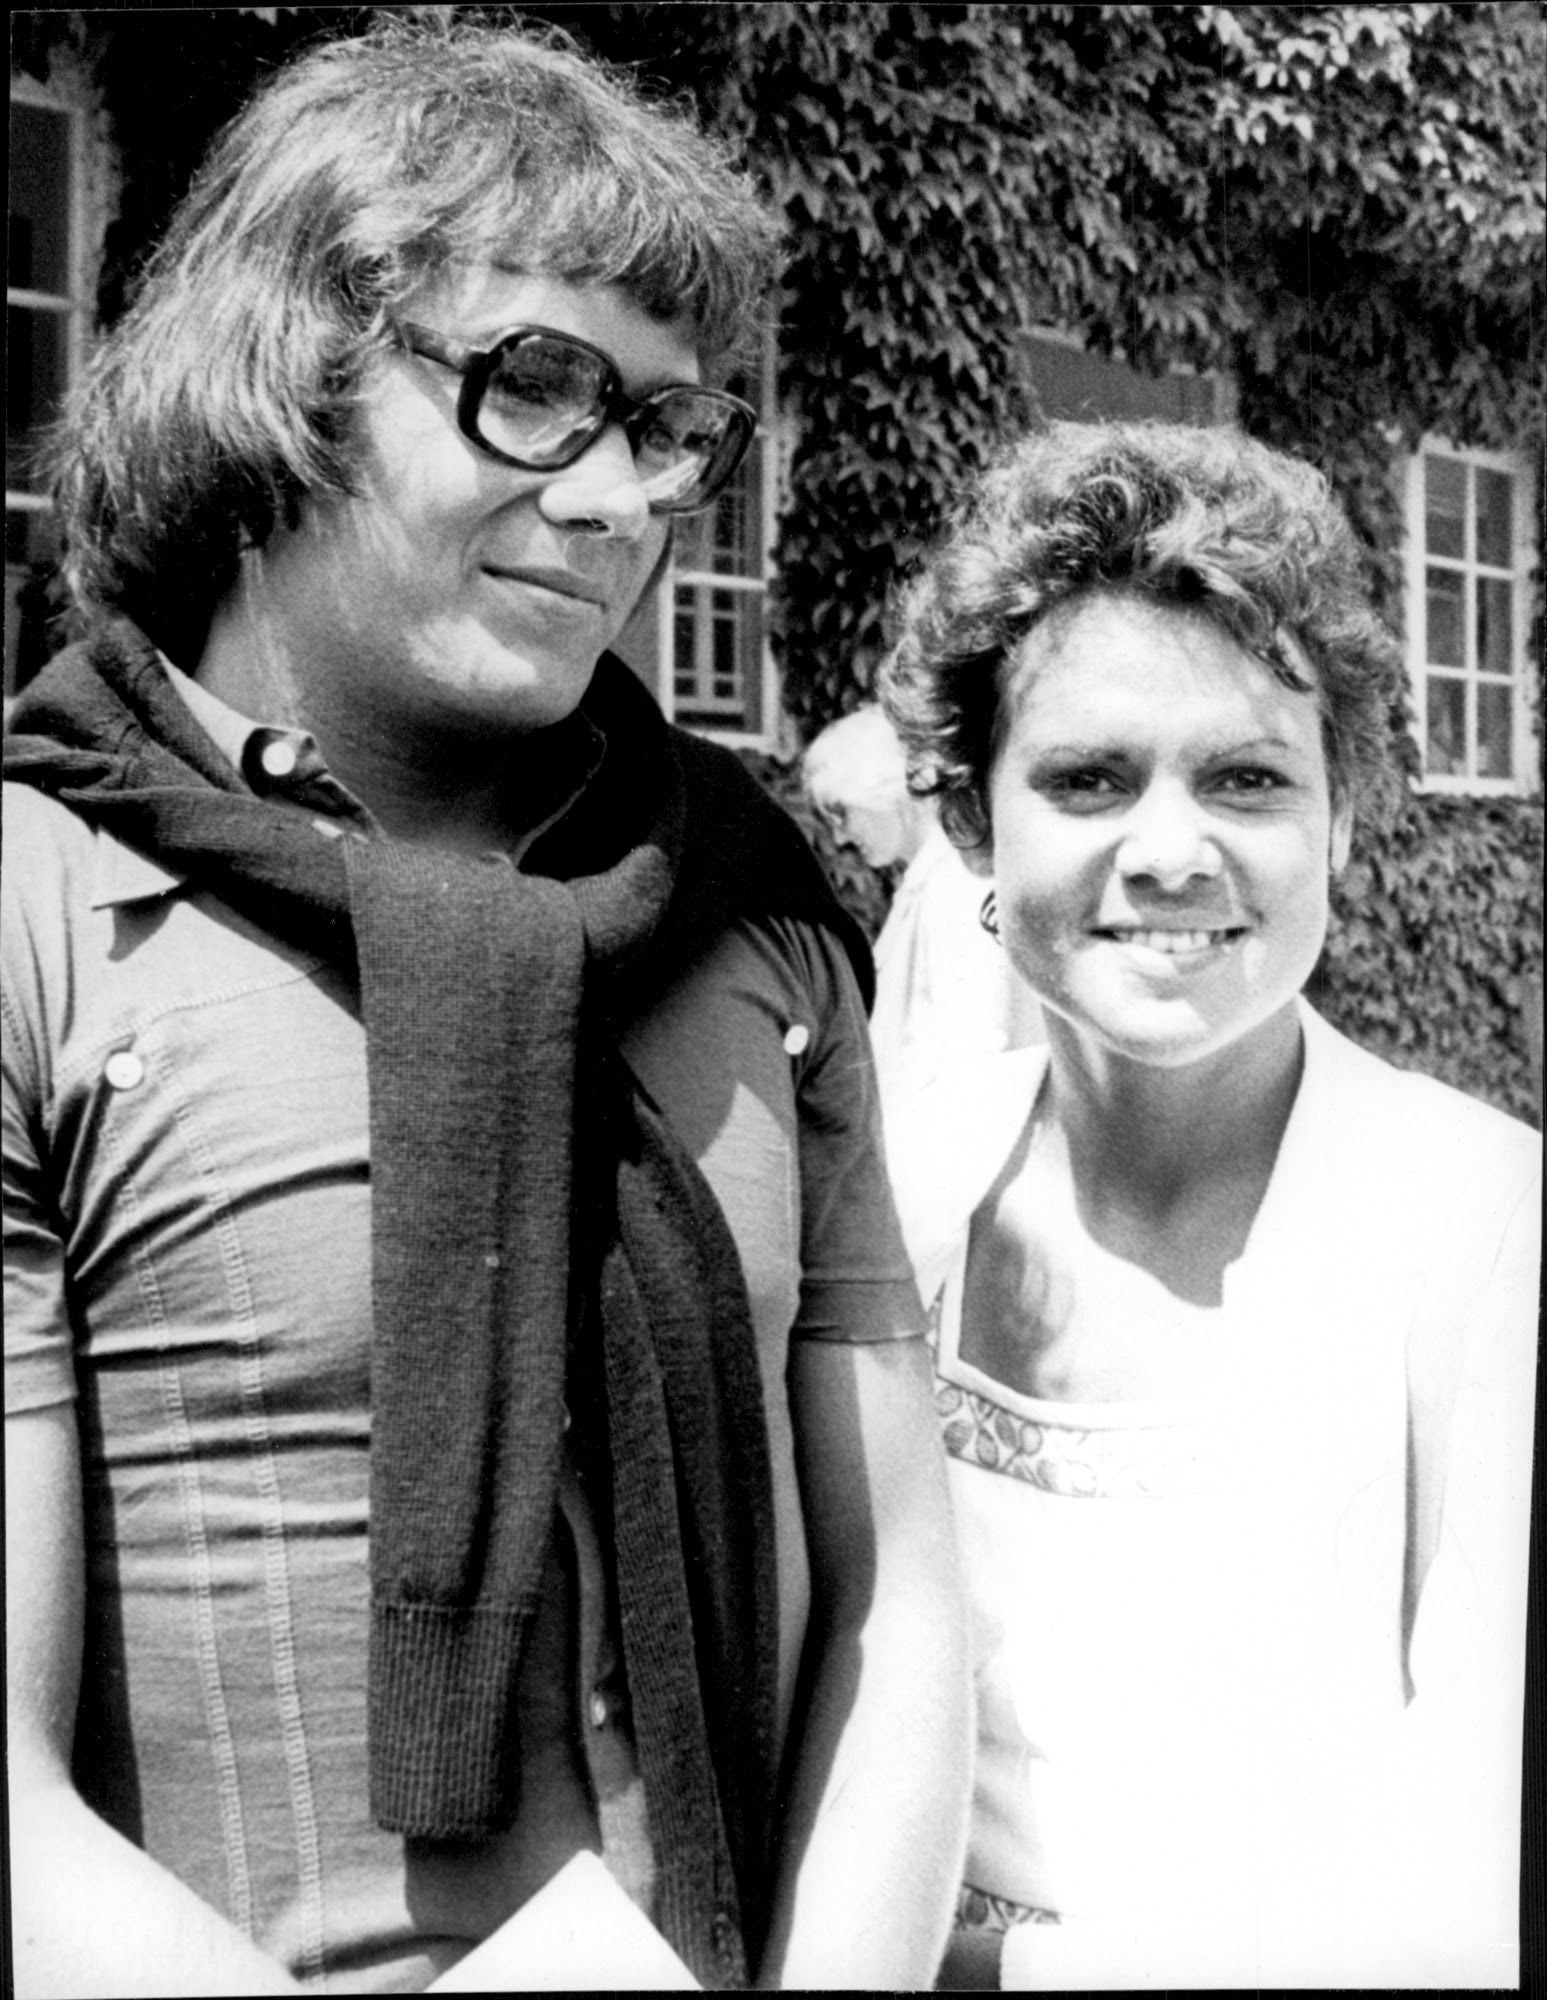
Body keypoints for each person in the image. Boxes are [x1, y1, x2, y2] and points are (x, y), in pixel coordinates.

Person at [2, 19, 970, 1994]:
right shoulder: (33, 910)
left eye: (667, 427)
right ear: (284, 377)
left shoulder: (757, 912)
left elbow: (897, 1612)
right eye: (535, 389)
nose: (619, 499)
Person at [876, 421, 1541, 1989]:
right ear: (969, 821)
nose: (1168, 851)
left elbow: (1459, 1905)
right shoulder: (888, 1197)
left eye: (1245, 779)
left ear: (1341, 817)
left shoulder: (1480, 1231)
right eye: (1085, 779)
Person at [802, 705, 1041, 1110]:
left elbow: (978, 1041)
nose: (840, 838)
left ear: (880, 786)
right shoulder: (929, 879)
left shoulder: (960, 877)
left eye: (841, 813)